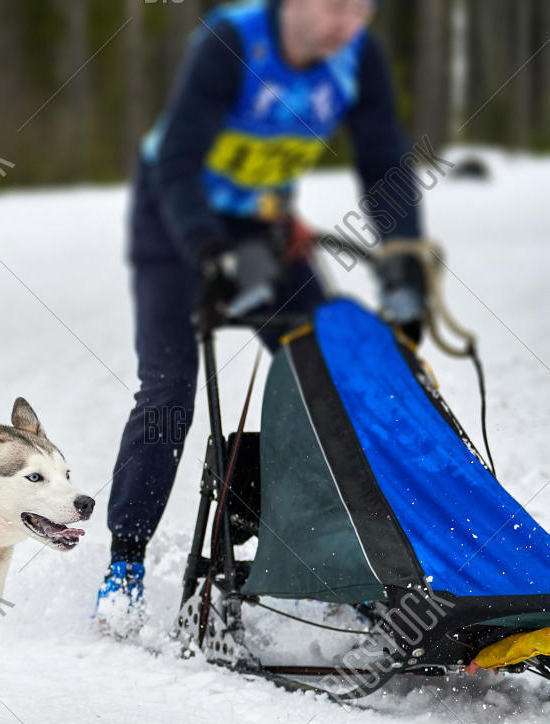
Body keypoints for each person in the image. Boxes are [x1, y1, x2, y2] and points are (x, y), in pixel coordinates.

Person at [95, 0, 426, 632]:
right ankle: (125, 564)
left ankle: (344, 555)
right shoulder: (234, 40)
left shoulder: (358, 58)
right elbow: (178, 162)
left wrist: (406, 258)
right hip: (174, 226)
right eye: (334, 6)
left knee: (330, 374)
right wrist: (207, 251)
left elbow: (384, 158)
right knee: (170, 390)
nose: (346, 24)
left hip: (256, 234)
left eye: (362, 11)